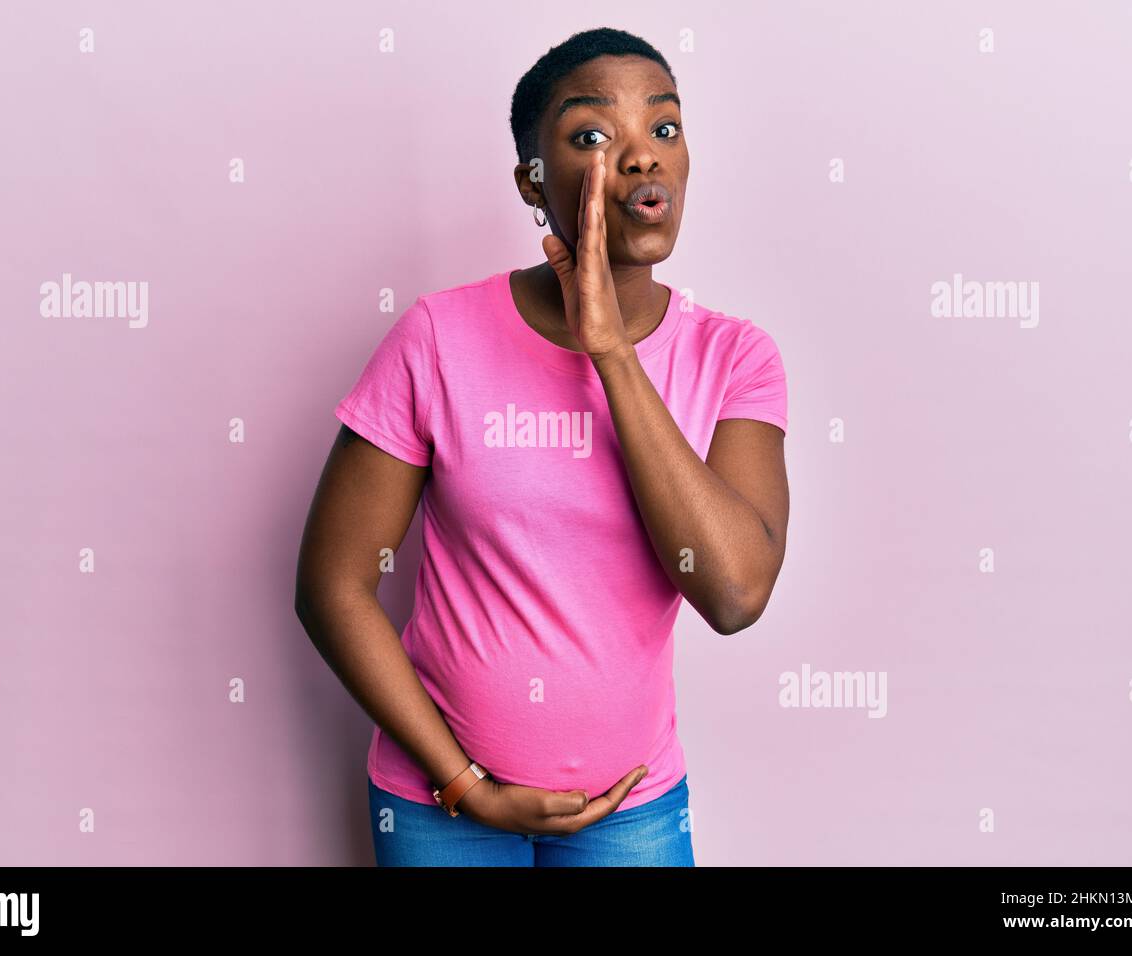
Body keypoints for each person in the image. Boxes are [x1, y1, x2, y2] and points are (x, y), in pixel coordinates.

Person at [294, 26, 789, 866]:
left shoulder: (734, 358)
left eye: (663, 128)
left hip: (633, 810)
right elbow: (333, 587)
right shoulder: (437, 338)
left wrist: (611, 353)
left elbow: (734, 593)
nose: (642, 158)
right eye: (594, 135)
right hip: (436, 806)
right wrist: (463, 782)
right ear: (533, 179)